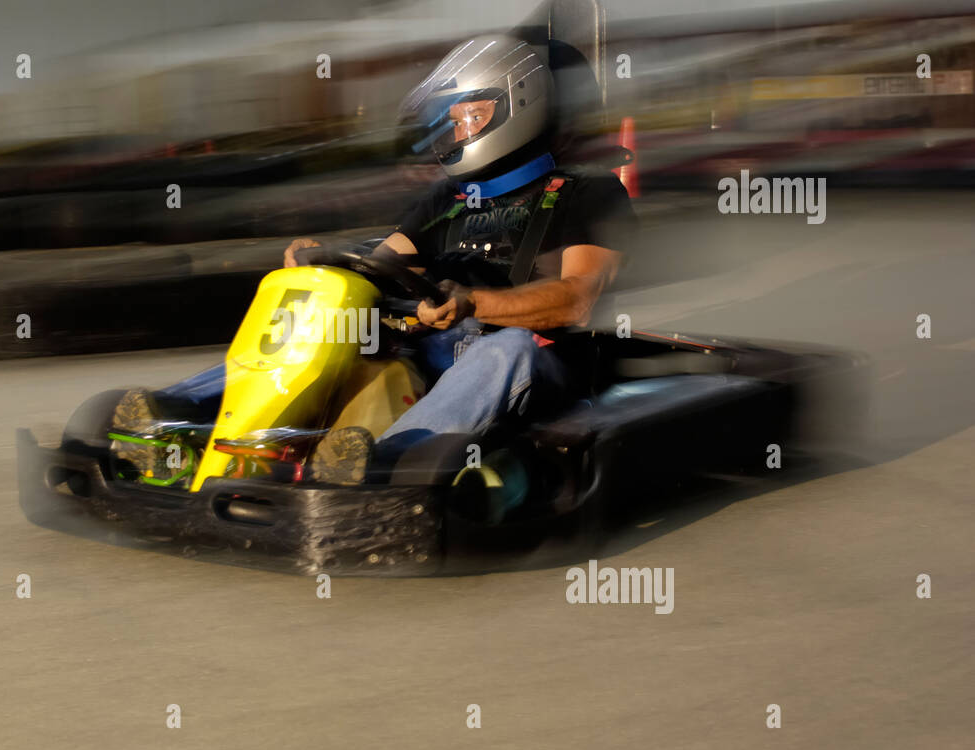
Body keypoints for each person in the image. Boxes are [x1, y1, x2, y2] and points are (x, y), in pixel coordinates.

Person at [113, 33, 637, 484]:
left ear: (517, 106)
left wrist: (474, 303)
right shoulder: (447, 199)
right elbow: (385, 262)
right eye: (450, 120)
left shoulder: (585, 194)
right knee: (326, 317)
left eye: (470, 116)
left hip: (539, 366)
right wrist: (325, 266)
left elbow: (577, 300)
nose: (456, 133)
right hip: (432, 344)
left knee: (508, 349)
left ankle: (382, 460)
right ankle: (177, 417)